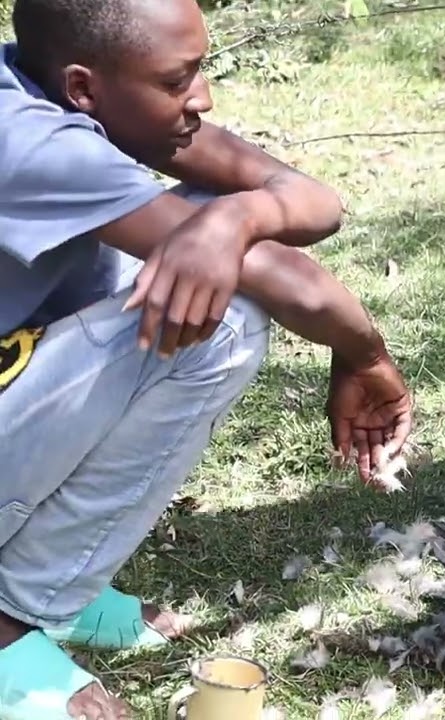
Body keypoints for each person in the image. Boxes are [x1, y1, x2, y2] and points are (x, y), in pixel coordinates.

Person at [0, 0, 414, 717]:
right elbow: (286, 282)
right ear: (83, 86)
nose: (203, 97)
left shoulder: (63, 91)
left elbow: (314, 201)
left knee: (211, 233)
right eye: (176, 80)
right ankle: (13, 617)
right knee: (223, 311)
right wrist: (368, 358)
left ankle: (46, 579)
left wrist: (236, 215)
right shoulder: (26, 141)